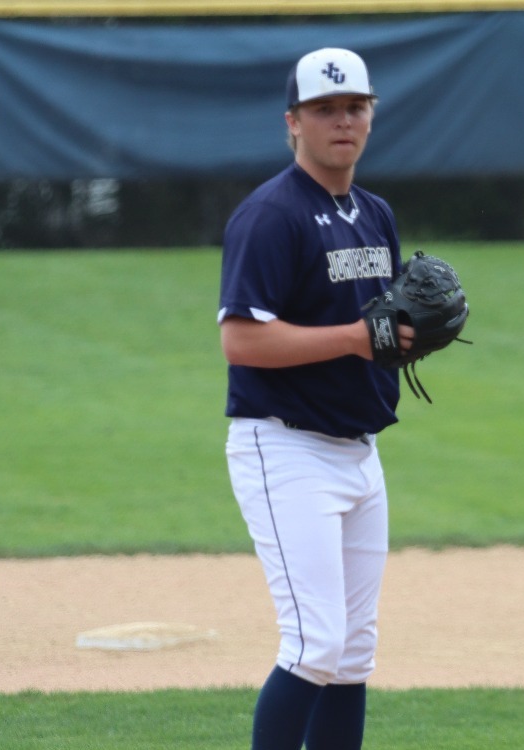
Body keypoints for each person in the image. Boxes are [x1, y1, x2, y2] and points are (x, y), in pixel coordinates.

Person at [217, 48, 412, 750]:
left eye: (354, 107)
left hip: (359, 452)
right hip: (285, 446)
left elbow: (379, 331)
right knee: (314, 645)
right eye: (325, 110)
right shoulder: (269, 216)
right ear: (292, 122)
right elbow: (242, 342)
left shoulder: (375, 214)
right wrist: (360, 338)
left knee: (353, 652)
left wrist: (407, 338)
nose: (342, 121)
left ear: (371, 116)